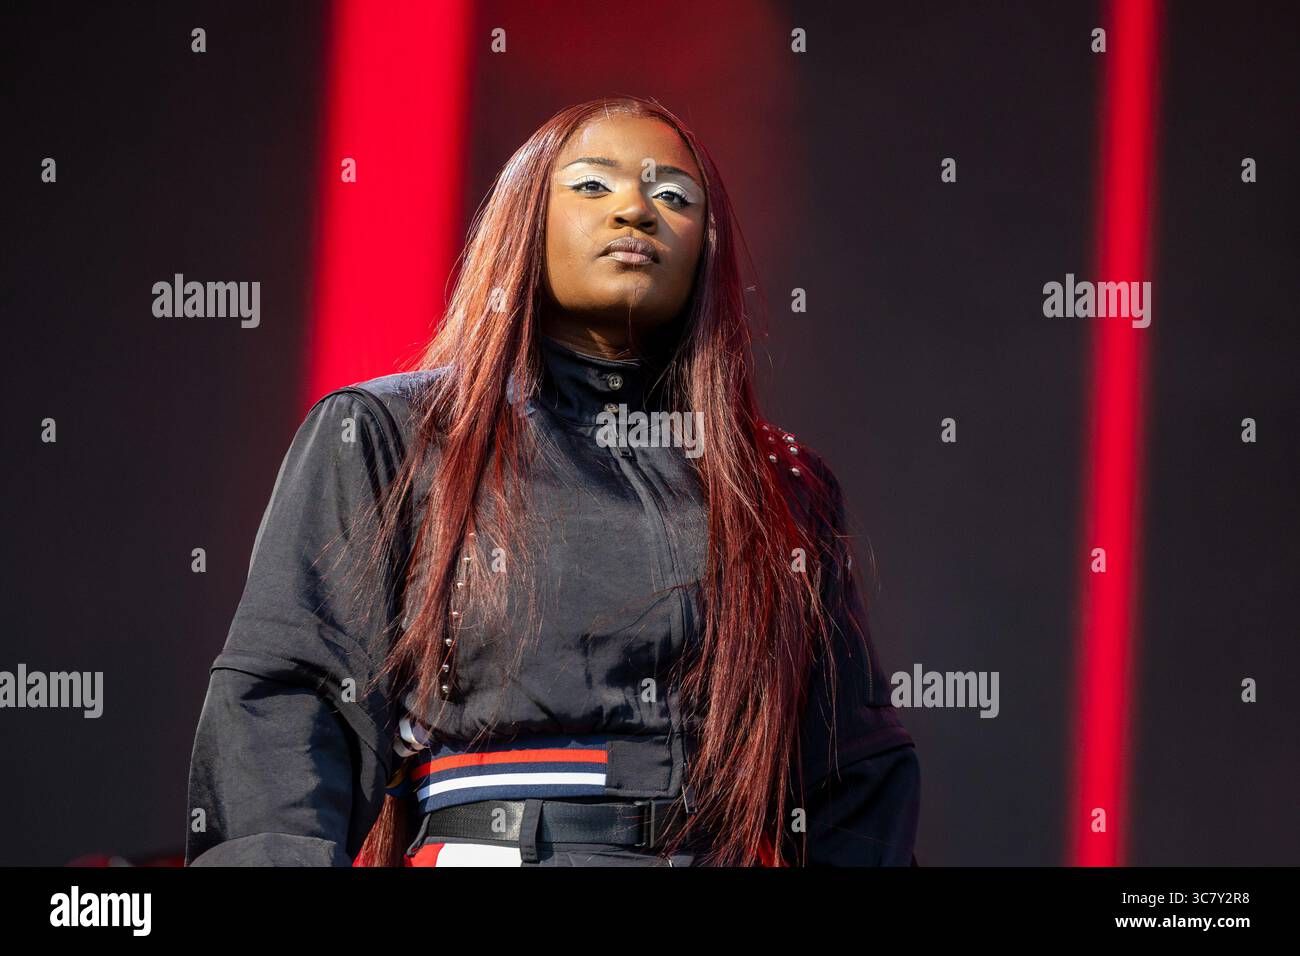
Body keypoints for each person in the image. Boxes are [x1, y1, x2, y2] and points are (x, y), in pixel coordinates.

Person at [184, 95, 920, 867]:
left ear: (708, 248)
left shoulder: (781, 485)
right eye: (594, 186)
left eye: (674, 196)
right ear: (523, 221)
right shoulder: (389, 436)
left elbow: (854, 775)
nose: (636, 208)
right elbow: (288, 709)